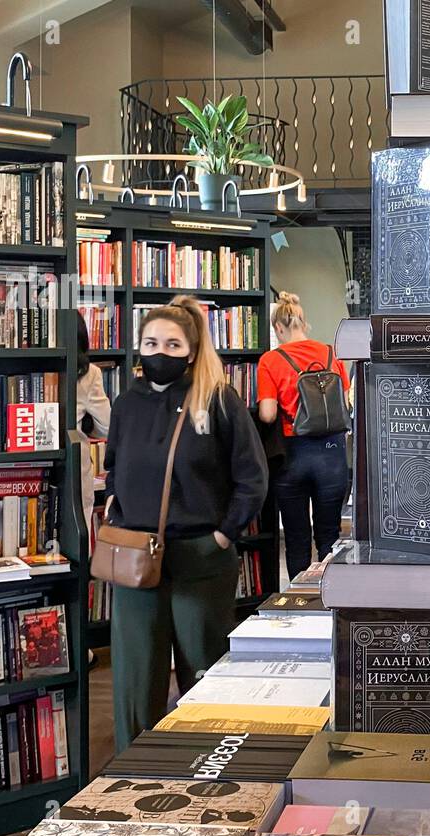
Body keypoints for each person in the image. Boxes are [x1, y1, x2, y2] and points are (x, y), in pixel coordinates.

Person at [104, 295, 268, 751]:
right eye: (151, 342)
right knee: (136, 678)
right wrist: (118, 504)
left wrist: (223, 533)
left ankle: (205, 766)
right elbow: (113, 465)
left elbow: (252, 476)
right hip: (136, 558)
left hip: (200, 556)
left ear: (192, 351)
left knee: (204, 670)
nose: (161, 352)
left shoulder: (216, 398)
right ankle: (133, 774)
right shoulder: (127, 402)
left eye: (173, 345)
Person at [257, 291, 352, 581]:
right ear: (303, 321)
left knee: (297, 537)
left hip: (293, 456)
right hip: (332, 454)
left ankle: (301, 605)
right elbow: (346, 401)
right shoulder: (328, 352)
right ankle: (330, 599)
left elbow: (268, 414)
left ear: (278, 328)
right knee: (329, 536)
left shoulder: (270, 361)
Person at [75, 314, 112, 539]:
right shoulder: (89, 374)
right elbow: (108, 426)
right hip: (74, 470)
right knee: (76, 534)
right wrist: (86, 425)